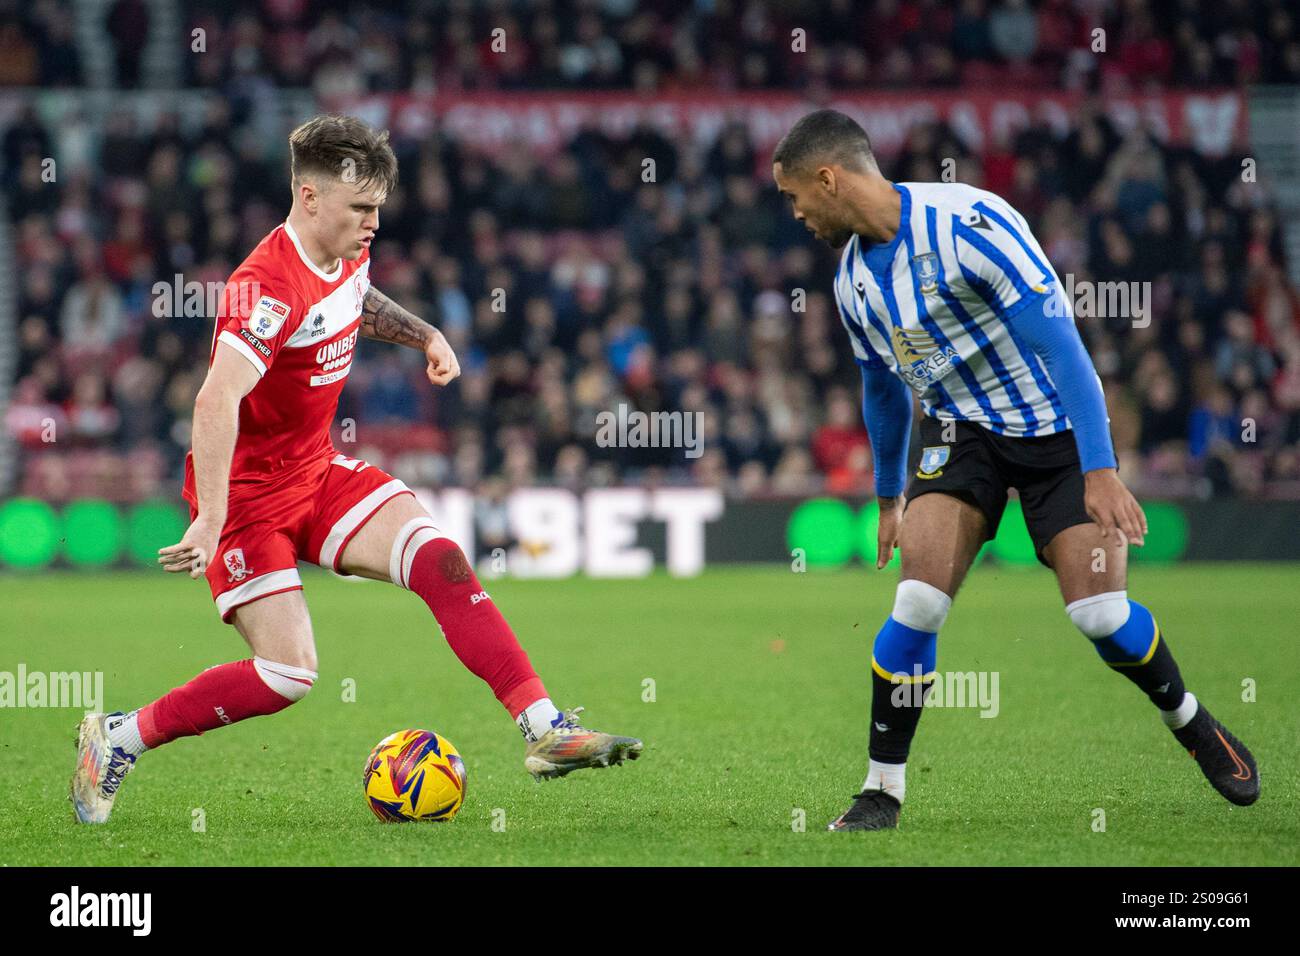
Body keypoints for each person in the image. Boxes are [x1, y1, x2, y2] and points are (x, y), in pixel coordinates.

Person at [71, 115, 641, 824]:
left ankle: (546, 728)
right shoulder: (265, 288)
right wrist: (212, 517)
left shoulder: (343, 251)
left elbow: (354, 301)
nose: (373, 223)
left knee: (440, 559)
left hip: (315, 470)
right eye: (361, 209)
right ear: (309, 198)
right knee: (289, 675)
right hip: (246, 499)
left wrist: (424, 334)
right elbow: (215, 397)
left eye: (377, 208)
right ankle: (116, 737)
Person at [771, 109, 1258, 831]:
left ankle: (1189, 720)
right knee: (917, 606)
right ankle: (882, 790)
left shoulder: (968, 223)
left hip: (1058, 430)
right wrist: (886, 494)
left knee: (1100, 616)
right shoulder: (851, 285)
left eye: (793, 196)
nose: (797, 214)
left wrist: (1099, 468)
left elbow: (1063, 347)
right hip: (964, 435)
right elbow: (881, 388)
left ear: (828, 177)